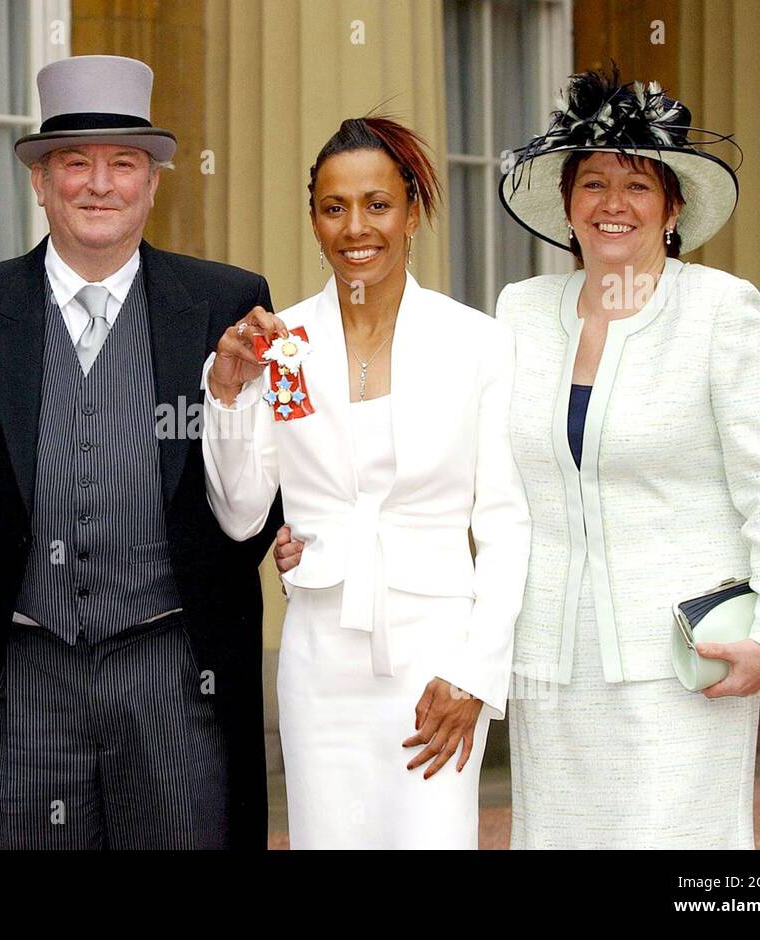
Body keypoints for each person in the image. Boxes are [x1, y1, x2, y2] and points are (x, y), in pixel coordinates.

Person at [280, 72, 760, 849]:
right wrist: (317, 531)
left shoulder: (719, 312)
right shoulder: (522, 314)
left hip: (683, 661)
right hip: (550, 666)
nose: (613, 202)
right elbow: (455, 465)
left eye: (637, 185)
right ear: (567, 205)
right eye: (592, 182)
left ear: (671, 209)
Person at [0, 55, 279, 850]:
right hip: (20, 675)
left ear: (153, 183)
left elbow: (256, 478)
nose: (99, 184)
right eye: (74, 163)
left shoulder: (224, 301)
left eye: (124, 164)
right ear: (40, 183)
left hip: (176, 677)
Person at [203, 117, 531, 849]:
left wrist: (475, 673)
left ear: (412, 213)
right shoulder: (281, 347)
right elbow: (240, 514)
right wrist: (226, 395)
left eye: (378, 204)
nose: (357, 227)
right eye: (334, 206)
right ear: (314, 219)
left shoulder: (476, 343)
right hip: (321, 658)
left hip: (436, 657)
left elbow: (507, 524)